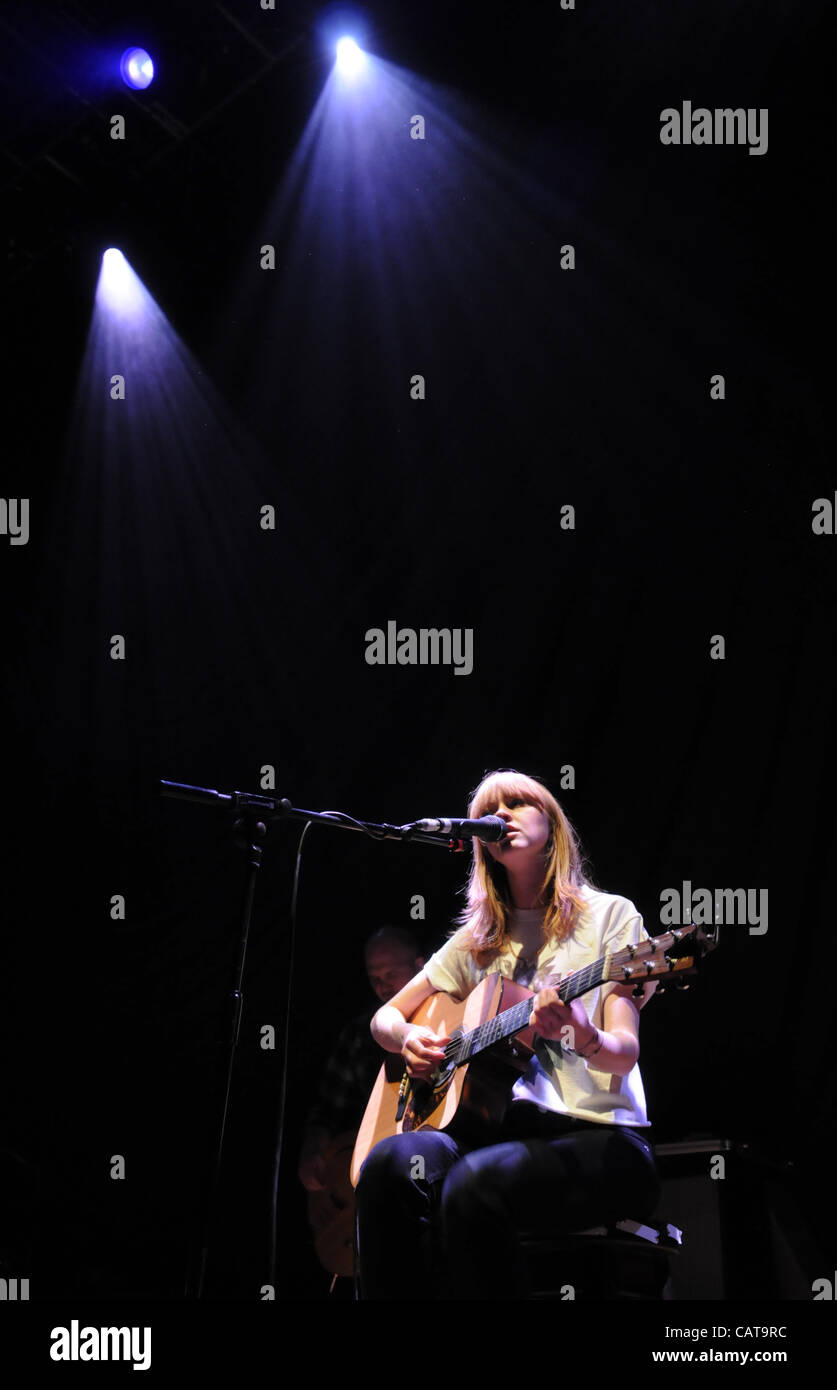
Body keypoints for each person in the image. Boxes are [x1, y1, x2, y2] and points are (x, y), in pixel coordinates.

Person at [354, 769, 660, 1299]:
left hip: (598, 1139)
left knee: (474, 1183)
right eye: (491, 812)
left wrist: (581, 1035)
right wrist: (407, 1037)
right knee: (388, 1165)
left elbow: (623, 1056)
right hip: (491, 1132)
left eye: (517, 803)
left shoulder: (613, 918)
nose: (502, 817)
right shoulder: (479, 938)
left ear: (552, 822)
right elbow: (383, 1020)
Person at [298, 925, 425, 1193]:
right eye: (374, 977)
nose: (383, 985)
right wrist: (314, 1149)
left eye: (391, 973)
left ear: (419, 966)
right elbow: (328, 1109)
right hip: (369, 1173)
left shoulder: (448, 1012)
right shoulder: (359, 1034)